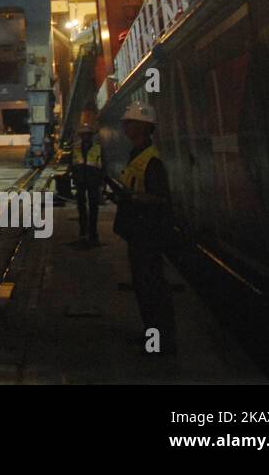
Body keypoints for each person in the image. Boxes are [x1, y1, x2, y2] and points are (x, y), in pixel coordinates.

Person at [109, 101, 177, 355]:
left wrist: (131, 198)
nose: (125, 126)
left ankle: (162, 343)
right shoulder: (136, 155)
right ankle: (152, 337)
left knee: (152, 288)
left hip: (148, 233)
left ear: (144, 126)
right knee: (144, 287)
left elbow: (159, 196)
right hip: (137, 232)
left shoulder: (152, 161)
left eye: (130, 122)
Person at [72, 123, 104, 246]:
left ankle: (93, 233)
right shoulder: (75, 148)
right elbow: (73, 165)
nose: (85, 136)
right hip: (80, 182)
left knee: (93, 209)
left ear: (91, 136)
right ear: (81, 136)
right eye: (83, 134)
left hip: (93, 182)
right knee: (81, 209)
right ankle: (83, 232)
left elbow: (102, 165)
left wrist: (101, 181)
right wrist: (74, 178)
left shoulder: (98, 148)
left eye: (87, 134)